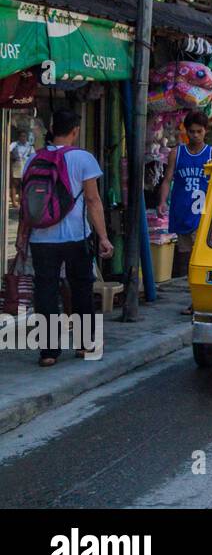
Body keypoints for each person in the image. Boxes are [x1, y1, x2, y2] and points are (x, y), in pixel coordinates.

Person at [21, 110, 113, 367]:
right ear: (75, 131)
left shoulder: (33, 159)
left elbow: (28, 203)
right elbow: (93, 201)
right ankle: (84, 344)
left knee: (46, 293)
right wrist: (104, 237)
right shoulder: (83, 158)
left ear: (52, 128)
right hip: (75, 236)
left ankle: (48, 352)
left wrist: (22, 237)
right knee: (82, 288)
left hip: (41, 239)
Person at [159, 111, 212, 294]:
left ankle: (200, 297)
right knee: (187, 258)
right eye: (191, 131)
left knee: (200, 257)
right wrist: (162, 202)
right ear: (186, 131)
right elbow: (167, 180)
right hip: (182, 212)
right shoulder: (176, 153)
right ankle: (194, 296)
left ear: (206, 131)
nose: (195, 135)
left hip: (203, 214)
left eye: (199, 131)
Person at [8, 129, 34, 207]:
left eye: (25, 136)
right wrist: (11, 157)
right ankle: (14, 202)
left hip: (25, 165)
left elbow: (33, 155)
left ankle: (21, 201)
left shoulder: (29, 145)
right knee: (14, 184)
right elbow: (7, 150)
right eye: (22, 136)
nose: (23, 138)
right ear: (19, 137)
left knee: (23, 185)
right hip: (17, 164)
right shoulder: (15, 144)